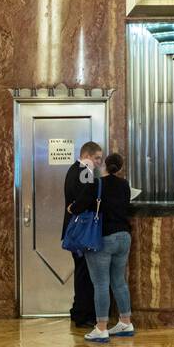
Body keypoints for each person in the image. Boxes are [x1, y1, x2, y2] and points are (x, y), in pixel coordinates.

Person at [83, 152, 134, 343]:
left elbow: (85, 205)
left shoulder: (98, 184)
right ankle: (125, 322)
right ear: (119, 168)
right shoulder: (125, 185)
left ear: (104, 165)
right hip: (124, 236)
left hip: (104, 238)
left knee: (101, 283)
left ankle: (101, 328)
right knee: (119, 281)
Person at [63, 141, 102, 328]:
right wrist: (76, 208)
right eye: (97, 158)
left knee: (81, 272)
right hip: (82, 231)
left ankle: (78, 310)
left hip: (74, 230)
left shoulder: (73, 169)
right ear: (87, 155)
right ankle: (83, 314)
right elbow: (88, 196)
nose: (99, 163)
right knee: (84, 274)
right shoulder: (86, 169)